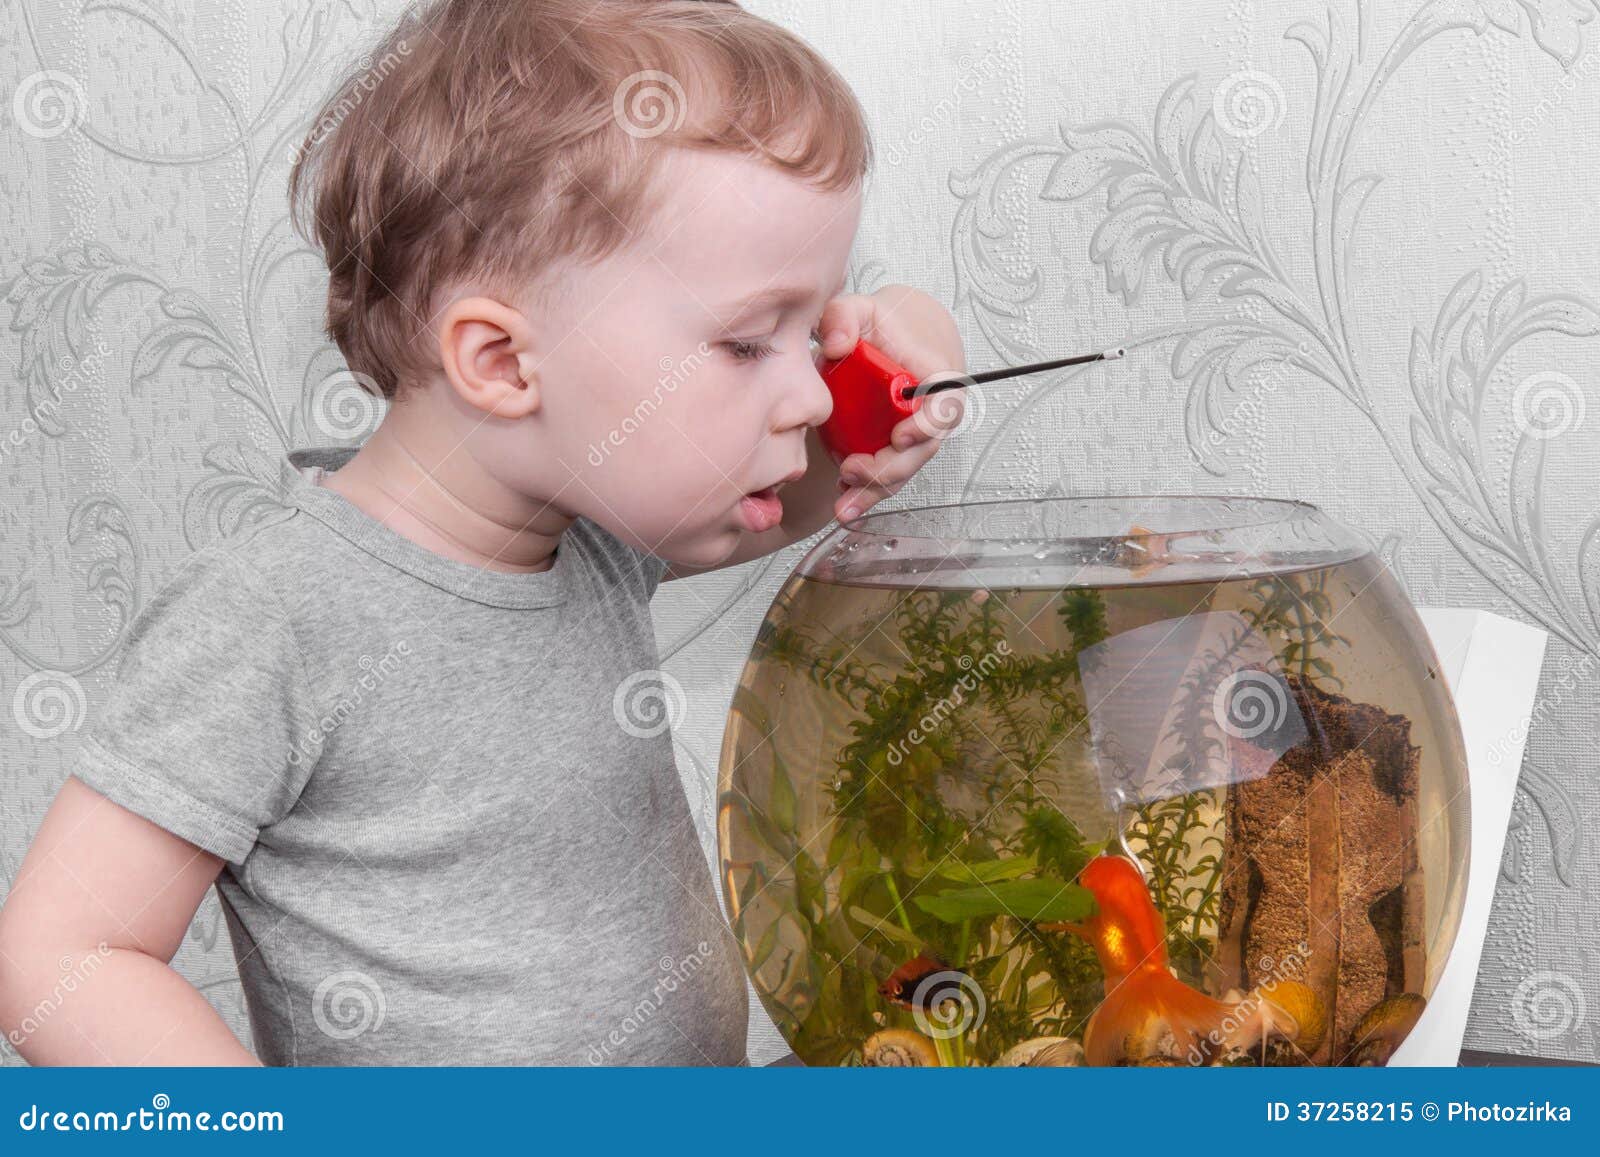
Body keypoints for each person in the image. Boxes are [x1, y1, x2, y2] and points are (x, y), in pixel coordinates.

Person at [0, 0, 966, 1064]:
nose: (812, 396)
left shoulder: (592, 542)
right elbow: (61, 950)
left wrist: (909, 348)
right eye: (747, 343)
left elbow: (813, 480)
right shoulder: (276, 610)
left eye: (812, 327)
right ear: (503, 362)